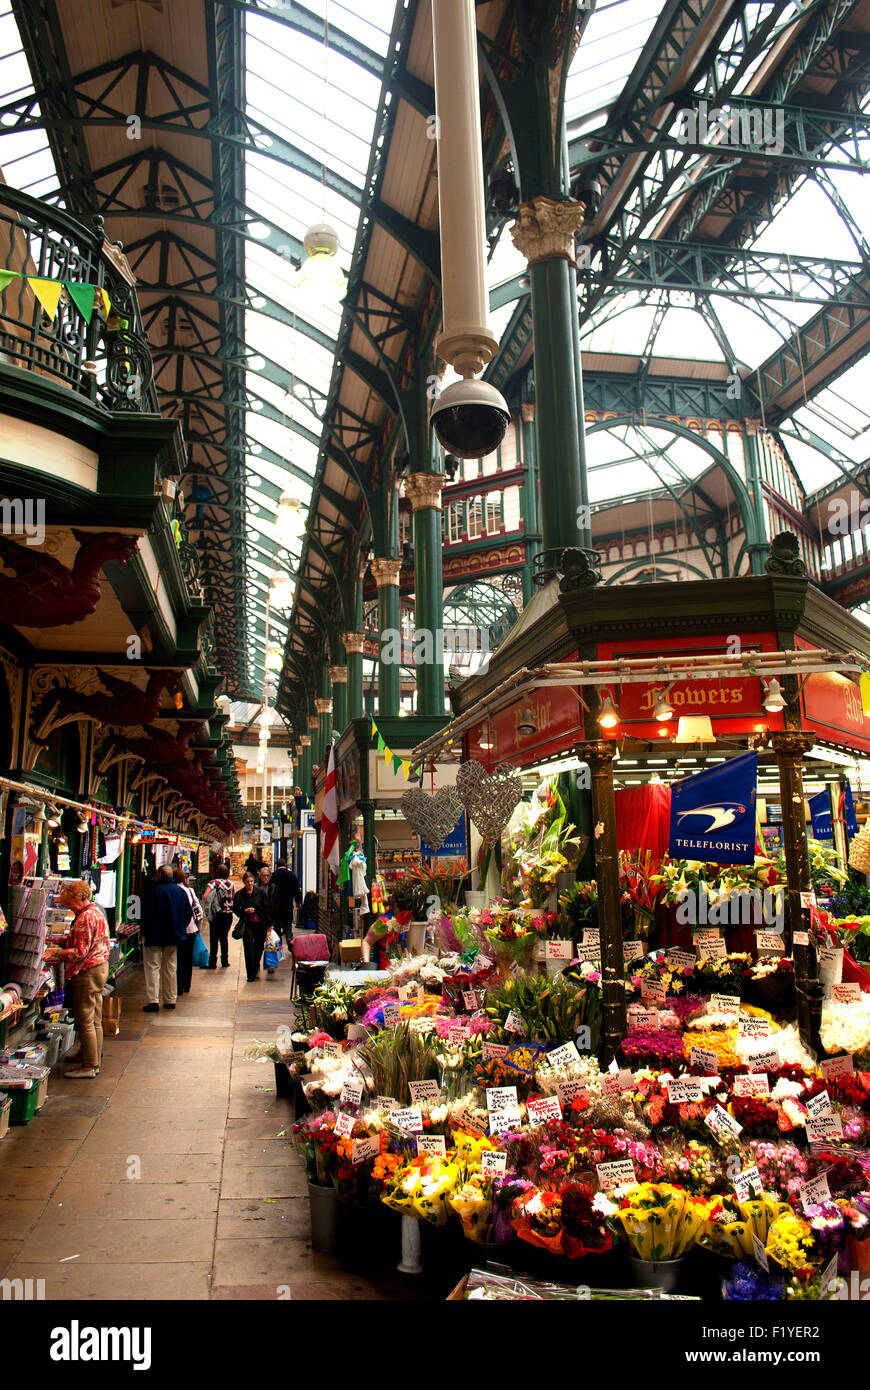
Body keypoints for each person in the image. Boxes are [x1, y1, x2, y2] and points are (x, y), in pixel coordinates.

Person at [49, 880, 110, 1079]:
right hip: (99, 967)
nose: (70, 908)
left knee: (85, 1019)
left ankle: (90, 1065)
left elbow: (79, 953)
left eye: (71, 904)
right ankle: (91, 1056)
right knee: (95, 1018)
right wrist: (61, 942)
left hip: (88, 971)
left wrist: (56, 954)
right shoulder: (96, 912)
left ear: (81, 899)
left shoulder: (85, 918)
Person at [140, 865, 192, 1012]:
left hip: (154, 936)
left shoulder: (154, 891)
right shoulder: (180, 892)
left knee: (153, 967)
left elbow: (147, 914)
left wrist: (145, 931)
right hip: (174, 936)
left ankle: (153, 1001)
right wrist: (180, 928)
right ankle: (170, 999)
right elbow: (188, 914)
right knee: (171, 967)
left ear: (160, 875)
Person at [232, 871, 271, 982]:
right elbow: (235, 908)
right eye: (247, 882)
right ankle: (251, 973)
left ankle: (255, 964)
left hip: (260, 923)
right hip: (247, 923)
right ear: (244, 882)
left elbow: (267, 908)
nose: (250, 884)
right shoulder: (240, 895)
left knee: (259, 947)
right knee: (248, 948)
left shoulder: (261, 893)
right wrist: (244, 911)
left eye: (251, 881)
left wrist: (269, 924)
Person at [173, 868, 203, 996]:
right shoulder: (190, 891)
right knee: (188, 958)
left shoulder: (173, 891)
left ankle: (178, 986)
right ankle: (186, 984)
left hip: (177, 930)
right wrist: (198, 927)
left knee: (177, 958)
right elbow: (198, 910)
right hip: (191, 929)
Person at [202, 866, 234, 969]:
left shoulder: (213, 883)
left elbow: (205, 896)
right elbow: (233, 898)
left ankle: (212, 962)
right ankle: (225, 961)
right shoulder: (231, 884)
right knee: (224, 937)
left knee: (214, 938)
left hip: (216, 914)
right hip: (228, 914)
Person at [269, 857, 302, 942]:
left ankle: (278, 940)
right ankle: (289, 937)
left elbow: (270, 890)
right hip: (288, 904)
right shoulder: (292, 875)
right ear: (285, 865)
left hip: (277, 905)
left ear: (277, 866)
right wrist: (298, 902)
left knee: (277, 924)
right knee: (288, 923)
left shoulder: (274, 875)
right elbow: (297, 890)